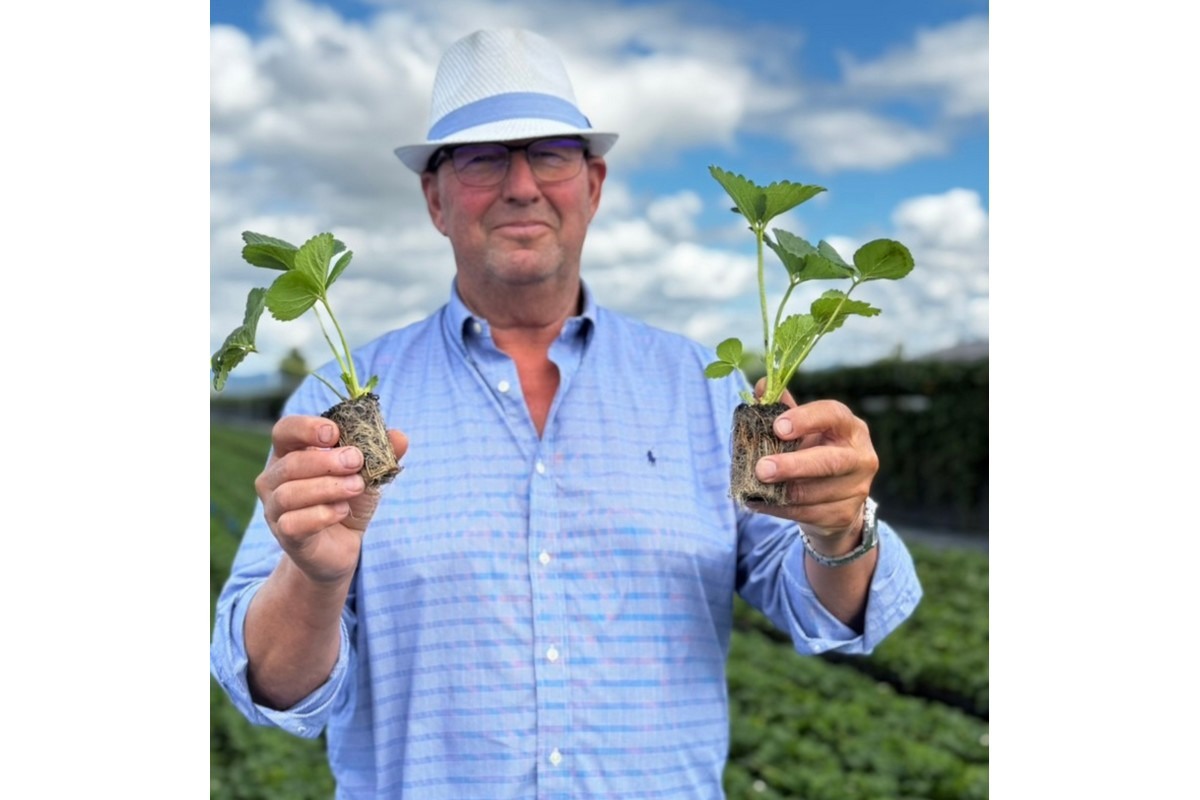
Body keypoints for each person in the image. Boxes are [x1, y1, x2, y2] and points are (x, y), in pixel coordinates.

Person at [211, 27, 922, 800]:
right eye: (483, 159)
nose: (521, 186)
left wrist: (837, 528)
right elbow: (269, 689)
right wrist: (314, 578)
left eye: (550, 154)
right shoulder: (338, 410)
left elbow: (825, 609)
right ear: (434, 198)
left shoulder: (704, 388)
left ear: (594, 184)